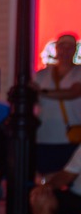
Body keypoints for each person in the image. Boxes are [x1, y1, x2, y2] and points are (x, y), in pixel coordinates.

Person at [33, 33, 81, 175]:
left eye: (70, 47)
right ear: (56, 49)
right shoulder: (41, 74)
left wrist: (41, 92)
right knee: (46, 178)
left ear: (75, 50)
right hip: (44, 136)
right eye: (62, 47)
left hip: (72, 137)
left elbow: (73, 93)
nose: (65, 51)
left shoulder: (79, 72)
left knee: (70, 181)